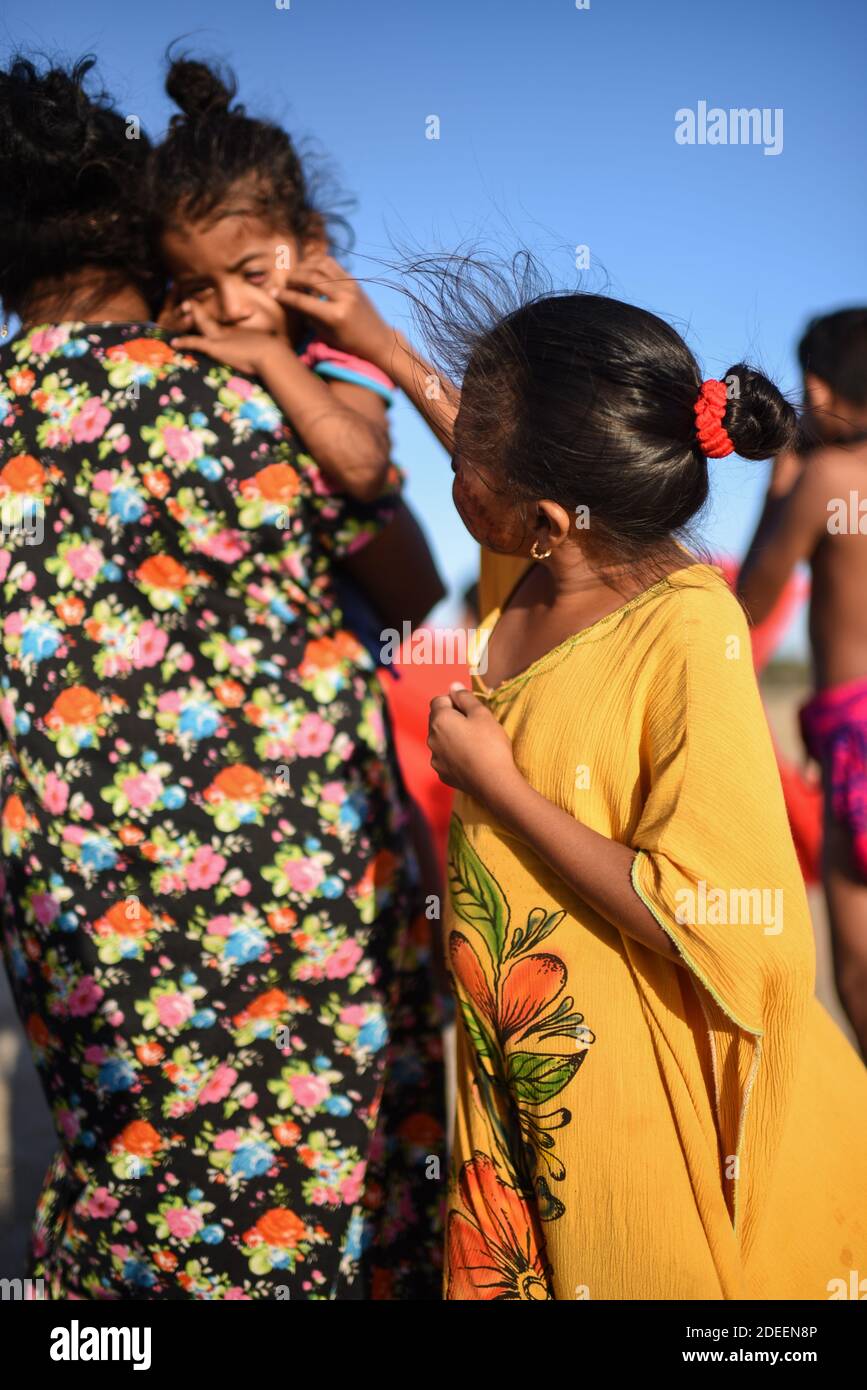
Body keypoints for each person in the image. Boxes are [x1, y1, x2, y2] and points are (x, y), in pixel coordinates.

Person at [273, 254, 867, 1299]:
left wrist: (499, 788)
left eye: (465, 466)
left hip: (634, 1106)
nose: (451, 465)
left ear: (546, 517)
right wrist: (381, 345)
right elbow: (479, 431)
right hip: (520, 1082)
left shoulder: (687, 631)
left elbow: (728, 919)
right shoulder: (541, 572)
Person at [0, 55, 445, 1299]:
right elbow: (413, 591)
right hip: (317, 905)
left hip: (83, 923)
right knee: (336, 1193)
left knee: (128, 1186)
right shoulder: (247, 395)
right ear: (142, 238)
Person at [739, 308, 867, 1061]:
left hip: (855, 730)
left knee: (855, 965)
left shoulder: (827, 478)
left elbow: (752, 600)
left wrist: (778, 482)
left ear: (816, 387)